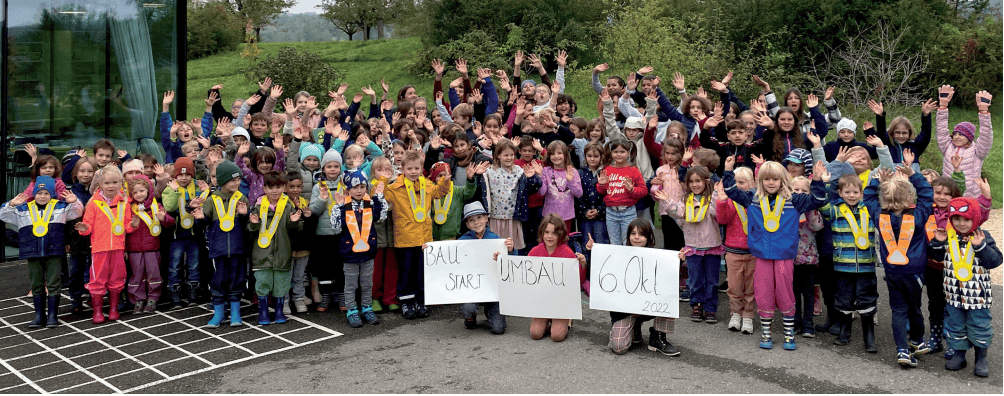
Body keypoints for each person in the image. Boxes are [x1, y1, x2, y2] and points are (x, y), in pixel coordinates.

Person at [722, 158, 828, 351]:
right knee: (763, 293)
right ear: (760, 180)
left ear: (783, 181)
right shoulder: (752, 198)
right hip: (761, 255)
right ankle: (766, 332)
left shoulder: (793, 199)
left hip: (785, 256)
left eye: (775, 179)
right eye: (767, 179)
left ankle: (788, 333)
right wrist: (728, 170)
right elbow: (730, 191)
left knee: (785, 292)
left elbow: (818, 200)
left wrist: (819, 180)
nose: (771, 183)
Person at [862, 164, 933, 368]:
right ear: (910, 199)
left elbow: (867, 199)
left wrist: (876, 180)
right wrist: (914, 175)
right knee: (915, 308)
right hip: (914, 272)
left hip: (892, 271)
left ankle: (902, 349)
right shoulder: (918, 216)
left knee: (899, 310)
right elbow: (928, 195)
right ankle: (917, 341)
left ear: (884, 199)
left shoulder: (879, 216)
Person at [931, 197, 1001, 377]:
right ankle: (959, 355)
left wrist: (981, 247)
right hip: (953, 294)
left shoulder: (982, 235)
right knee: (955, 326)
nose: (961, 223)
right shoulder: (948, 236)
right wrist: (937, 242)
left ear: (975, 218)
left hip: (977, 296)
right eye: (956, 219)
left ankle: (981, 357)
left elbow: (995, 261)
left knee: (980, 325)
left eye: (966, 219)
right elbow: (936, 258)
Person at [0, 176, 82, 328]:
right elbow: (3, 215)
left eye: (46, 193)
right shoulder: (23, 209)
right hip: (32, 251)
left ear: (52, 194)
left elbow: (77, 212)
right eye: (39, 193)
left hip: (54, 251)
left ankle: (52, 315)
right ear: (34, 193)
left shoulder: (60, 207)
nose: (42, 196)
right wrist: (11, 204)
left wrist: (74, 201)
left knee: (53, 283)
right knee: (36, 283)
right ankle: (39, 315)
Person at [384, 151, 451, 319]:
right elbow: (382, 196)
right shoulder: (396, 187)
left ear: (422, 168)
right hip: (405, 238)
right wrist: (383, 180)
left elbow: (439, 193)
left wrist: (445, 182)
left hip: (423, 238)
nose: (413, 172)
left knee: (421, 273)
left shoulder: (426, 184)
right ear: (402, 169)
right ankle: (406, 302)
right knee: (406, 272)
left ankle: (420, 301)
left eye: (417, 168)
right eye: (409, 168)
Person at [818, 174, 879, 351]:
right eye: (847, 192)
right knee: (844, 298)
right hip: (843, 265)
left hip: (866, 266)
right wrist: (824, 183)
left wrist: (876, 183)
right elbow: (821, 204)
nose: (851, 195)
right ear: (840, 193)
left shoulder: (869, 209)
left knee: (867, 300)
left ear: (861, 193)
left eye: (855, 192)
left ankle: (869, 337)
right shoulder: (836, 209)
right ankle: (844, 332)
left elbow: (878, 200)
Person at [76, 166, 135, 324]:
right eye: (107, 183)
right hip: (99, 249)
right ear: (100, 185)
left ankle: (113, 309)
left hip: (117, 248)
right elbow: (88, 225)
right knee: (97, 279)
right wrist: (84, 229)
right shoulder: (94, 204)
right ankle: (97, 311)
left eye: (114, 182)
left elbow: (127, 226)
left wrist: (134, 224)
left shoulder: (124, 202)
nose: (111, 186)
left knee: (117, 278)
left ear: (120, 183)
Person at [329, 169, 388, 327]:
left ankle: (367, 307)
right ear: (348, 189)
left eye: (362, 187)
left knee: (367, 283)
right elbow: (335, 225)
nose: (359, 191)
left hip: (368, 252)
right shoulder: (344, 205)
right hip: (350, 253)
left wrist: (379, 197)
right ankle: (352, 310)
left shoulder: (370, 202)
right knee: (351, 284)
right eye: (355, 187)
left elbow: (382, 216)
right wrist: (339, 206)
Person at [194, 161, 249, 328]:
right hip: (218, 249)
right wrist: (200, 218)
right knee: (218, 279)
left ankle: (235, 311)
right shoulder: (212, 200)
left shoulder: (242, 199)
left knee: (237, 279)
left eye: (238, 179)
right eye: (233, 180)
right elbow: (204, 222)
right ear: (223, 180)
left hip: (238, 248)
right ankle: (219, 312)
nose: (236, 183)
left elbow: (249, 226)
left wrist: (245, 215)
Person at [248, 172, 303, 325]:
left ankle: (278, 310)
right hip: (261, 255)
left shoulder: (288, 206)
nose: (274, 191)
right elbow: (251, 230)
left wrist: (294, 222)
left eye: (278, 187)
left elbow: (295, 229)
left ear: (284, 188)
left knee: (281, 284)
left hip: (282, 254)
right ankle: (263, 311)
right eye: (270, 187)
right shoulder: (258, 207)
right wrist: (254, 224)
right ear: (264, 188)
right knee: (263, 283)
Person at [526, 214, 587, 342]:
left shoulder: (567, 253)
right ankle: (548, 321)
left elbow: (578, 282)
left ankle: (566, 320)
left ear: (560, 234)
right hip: (541, 301)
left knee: (557, 336)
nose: (549, 236)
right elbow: (526, 277)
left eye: (554, 233)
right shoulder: (534, 252)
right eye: (547, 232)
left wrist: (582, 265)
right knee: (535, 334)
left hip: (560, 302)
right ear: (542, 233)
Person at [458, 202, 513, 334]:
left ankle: (490, 311)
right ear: (467, 224)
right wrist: (430, 249)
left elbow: (511, 262)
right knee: (468, 308)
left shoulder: (496, 240)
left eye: (479, 218)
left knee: (498, 329)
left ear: (486, 218)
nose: (476, 222)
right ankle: (470, 315)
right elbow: (448, 255)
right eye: (471, 220)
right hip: (472, 288)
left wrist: (510, 250)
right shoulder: (462, 241)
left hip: (492, 289)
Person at [124, 175, 174, 314]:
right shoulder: (128, 208)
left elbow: (170, 222)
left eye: (142, 191)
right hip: (134, 249)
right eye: (135, 192)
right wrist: (125, 249)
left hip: (153, 248)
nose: (139, 194)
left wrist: (164, 218)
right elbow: (124, 230)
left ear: (148, 190)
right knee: (136, 275)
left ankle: (153, 297)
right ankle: (137, 299)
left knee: (154, 274)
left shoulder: (155, 206)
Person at [935, 86, 993, 198]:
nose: (956, 137)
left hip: (970, 196)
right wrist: (942, 106)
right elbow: (941, 130)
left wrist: (984, 112)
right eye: (955, 134)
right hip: (948, 195)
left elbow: (986, 136)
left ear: (969, 137)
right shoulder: (947, 147)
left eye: (961, 134)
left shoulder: (977, 151)